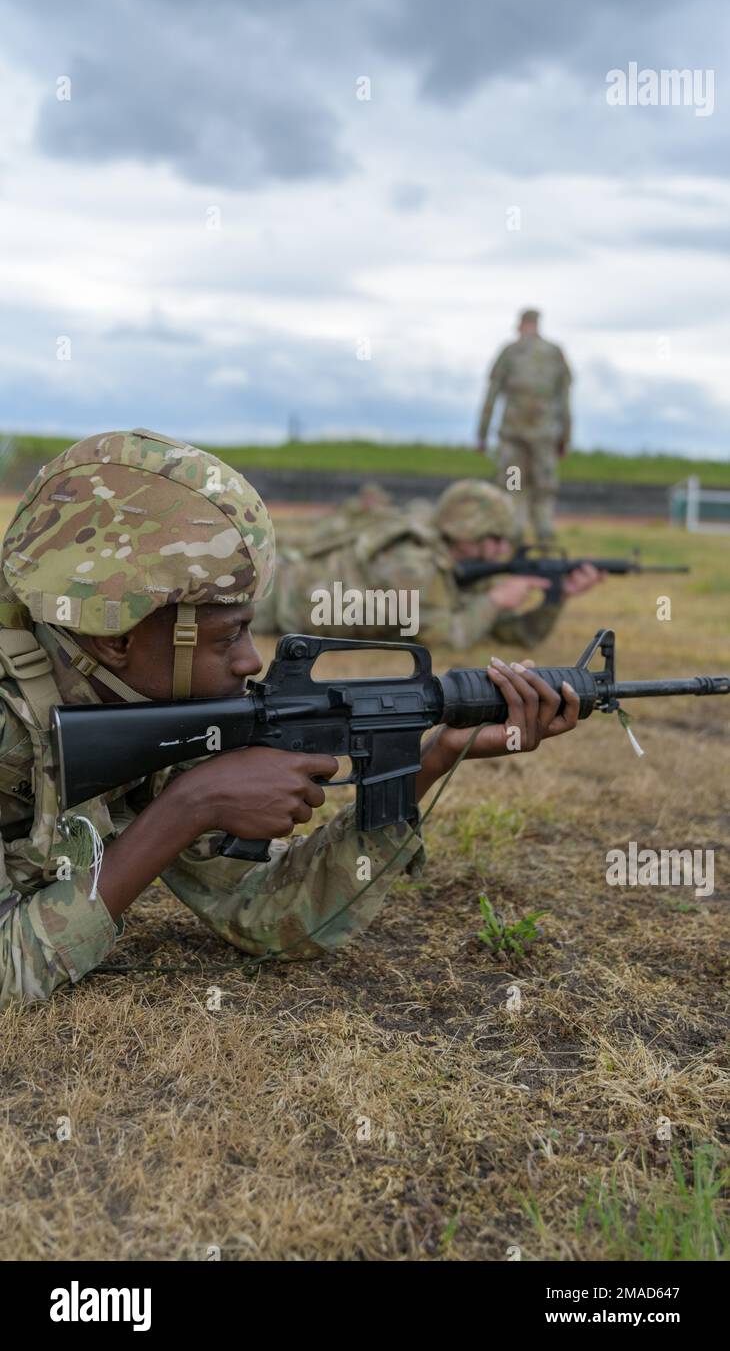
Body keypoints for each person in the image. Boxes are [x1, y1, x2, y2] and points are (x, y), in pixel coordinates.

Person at [0, 430, 581, 1008]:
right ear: (117, 639)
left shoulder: (144, 703)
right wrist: (189, 806)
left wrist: (433, 758)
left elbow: (265, 913)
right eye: (228, 636)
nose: (252, 660)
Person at [256, 478, 602, 650]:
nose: (501, 549)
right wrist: (495, 600)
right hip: (272, 599)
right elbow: (444, 637)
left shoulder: (460, 564)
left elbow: (514, 634)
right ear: (465, 532)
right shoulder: (415, 565)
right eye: (494, 538)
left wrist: (556, 597)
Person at [476, 308, 572, 541]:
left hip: (513, 436)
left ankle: (514, 533)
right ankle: (545, 533)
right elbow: (565, 402)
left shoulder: (511, 352)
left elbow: (492, 396)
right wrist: (565, 437)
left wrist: (482, 433)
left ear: (520, 325)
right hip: (544, 437)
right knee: (543, 489)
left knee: (513, 485)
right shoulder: (554, 353)